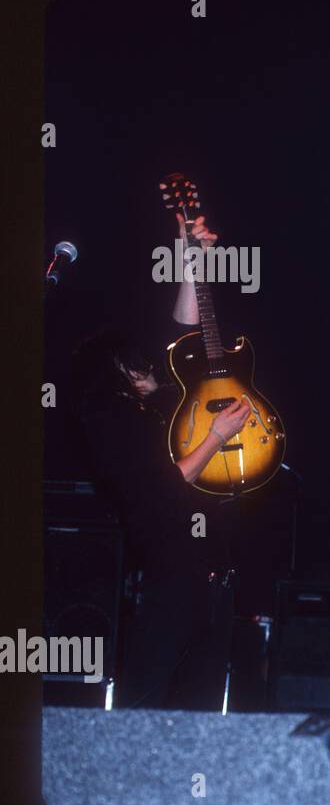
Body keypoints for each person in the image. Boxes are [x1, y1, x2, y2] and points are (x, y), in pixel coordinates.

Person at [71, 214, 251, 709]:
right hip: (172, 581)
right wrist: (217, 436)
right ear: (118, 372)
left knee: (203, 710)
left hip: (217, 579)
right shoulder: (113, 420)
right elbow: (166, 484)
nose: (151, 370)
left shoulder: (158, 406)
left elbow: (182, 329)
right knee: (149, 705)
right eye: (138, 366)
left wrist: (189, 257)